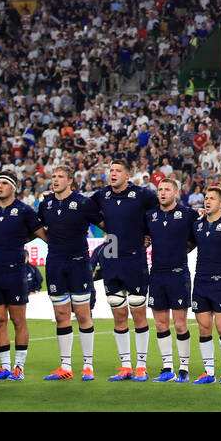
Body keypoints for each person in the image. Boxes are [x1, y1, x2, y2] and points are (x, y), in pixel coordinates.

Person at [0, 171, 47, 381]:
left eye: (4, 183)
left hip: (15, 271)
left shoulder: (24, 210)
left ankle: (19, 368)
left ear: (13, 187)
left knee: (18, 319)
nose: (0, 187)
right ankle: (4, 367)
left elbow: (41, 233)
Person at [91, 159, 159, 381]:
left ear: (128, 175)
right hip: (111, 259)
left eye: (118, 170)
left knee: (138, 313)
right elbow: (87, 212)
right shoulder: (102, 196)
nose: (113, 173)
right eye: (111, 170)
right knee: (118, 314)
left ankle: (141, 365)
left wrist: (148, 232)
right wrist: (106, 227)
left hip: (134, 259)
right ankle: (125, 366)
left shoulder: (142, 195)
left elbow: (160, 210)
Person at [38, 164, 103, 381]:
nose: (55, 180)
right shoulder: (46, 204)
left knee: (83, 314)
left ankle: (88, 365)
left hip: (79, 264)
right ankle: (65, 366)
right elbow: (39, 227)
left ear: (70, 181)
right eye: (53, 176)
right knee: (61, 315)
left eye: (60, 177)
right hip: (55, 263)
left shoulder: (84, 203)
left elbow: (105, 224)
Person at [145, 177, 198, 382]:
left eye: (167, 189)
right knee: (160, 324)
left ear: (176, 193)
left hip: (178, 274)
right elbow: (145, 237)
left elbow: (196, 238)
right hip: (157, 273)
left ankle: (183, 367)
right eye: (160, 189)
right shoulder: (150, 215)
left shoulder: (188, 214)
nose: (163, 192)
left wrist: (184, 250)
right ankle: (167, 367)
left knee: (180, 323)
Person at [190, 186, 221, 384]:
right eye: (206, 198)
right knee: (204, 328)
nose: (207, 201)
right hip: (200, 281)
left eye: (212, 198)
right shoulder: (198, 226)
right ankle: (209, 373)